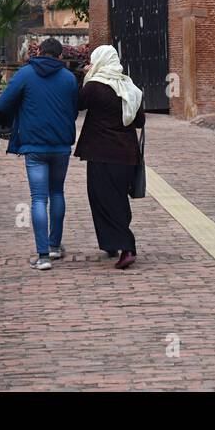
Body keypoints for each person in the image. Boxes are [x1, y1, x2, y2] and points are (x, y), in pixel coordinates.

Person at [0, 37, 80, 270]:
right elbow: (73, 111)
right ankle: (54, 245)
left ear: (39, 51)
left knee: (39, 198)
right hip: (61, 145)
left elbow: (3, 105)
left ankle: (43, 256)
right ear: (61, 56)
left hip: (34, 145)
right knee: (57, 192)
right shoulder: (69, 78)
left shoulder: (25, 74)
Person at [74, 44, 145, 270]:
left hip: (102, 153)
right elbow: (140, 121)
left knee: (104, 199)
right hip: (127, 154)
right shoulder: (129, 86)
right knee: (118, 200)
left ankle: (127, 246)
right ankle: (110, 243)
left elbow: (77, 104)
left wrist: (85, 76)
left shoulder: (94, 86)